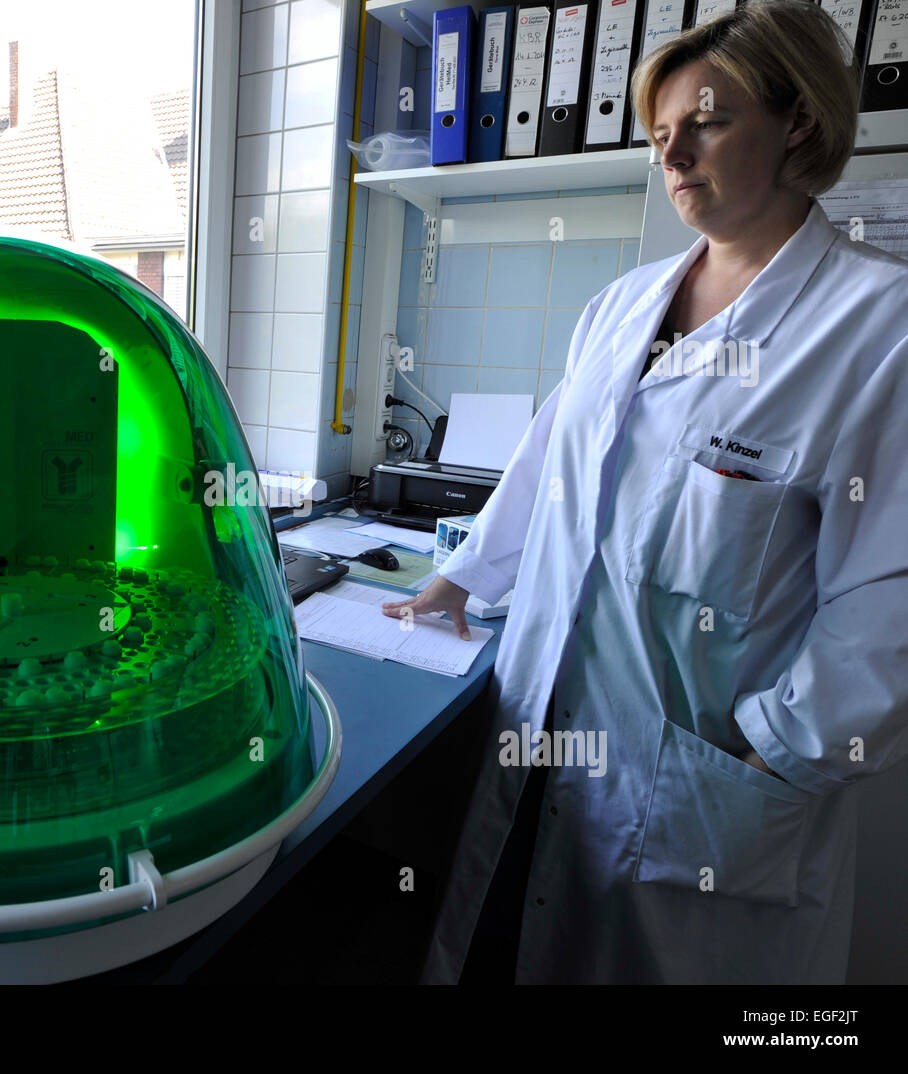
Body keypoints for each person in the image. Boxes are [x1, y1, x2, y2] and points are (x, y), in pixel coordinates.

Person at [381, 0, 908, 984]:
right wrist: (459, 579)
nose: (672, 157)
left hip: (705, 788)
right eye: (660, 135)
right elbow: (547, 468)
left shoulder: (879, 329)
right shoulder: (623, 305)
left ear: (797, 124)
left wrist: (768, 757)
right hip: (542, 733)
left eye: (705, 122)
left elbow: (887, 610)